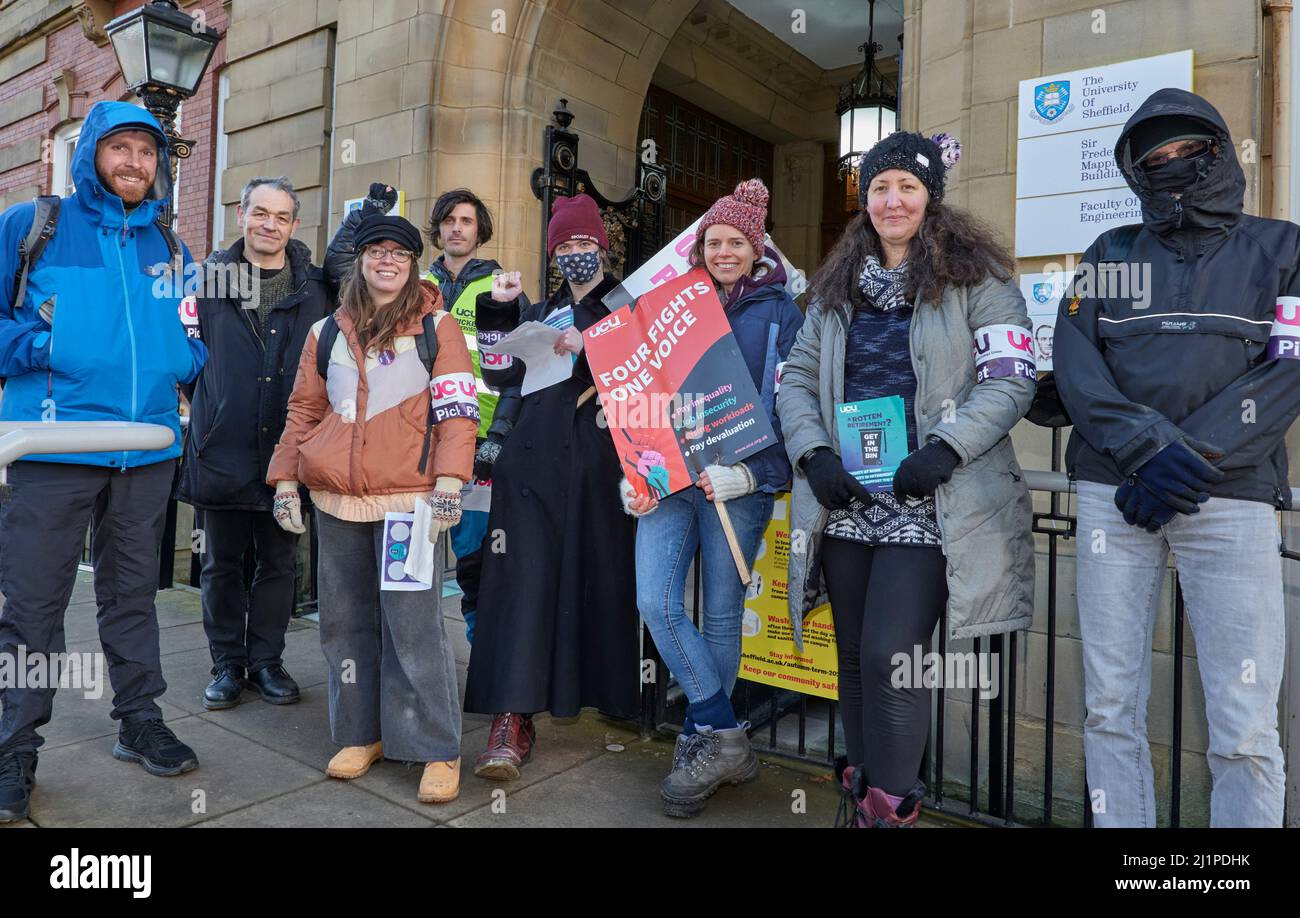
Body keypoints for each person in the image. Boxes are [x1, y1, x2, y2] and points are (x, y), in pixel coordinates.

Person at [1053, 88, 1299, 828]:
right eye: (1154, 159)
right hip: (1114, 494)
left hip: (1233, 499)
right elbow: (1076, 362)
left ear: (1220, 151)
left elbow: (1287, 369)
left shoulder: (1283, 248)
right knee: (1110, 703)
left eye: (1188, 151)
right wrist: (1143, 453)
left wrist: (1178, 464)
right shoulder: (1111, 253)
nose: (1174, 166)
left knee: (1245, 717)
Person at [778, 132, 1036, 827]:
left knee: (895, 657)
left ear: (931, 197)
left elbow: (1011, 380)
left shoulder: (976, 278)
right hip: (849, 500)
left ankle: (889, 815)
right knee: (857, 659)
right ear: (865, 199)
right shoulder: (833, 289)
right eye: (879, 187)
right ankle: (865, 797)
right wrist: (814, 456)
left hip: (932, 502)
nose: (892, 201)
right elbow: (796, 379)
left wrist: (946, 448)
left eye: (907, 187)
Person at [0, 101, 209, 823]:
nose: (134, 162)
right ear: (90, 151)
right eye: (119, 147)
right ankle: (13, 745)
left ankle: (138, 719)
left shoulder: (169, 246)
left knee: (131, 597)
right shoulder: (35, 227)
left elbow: (190, 329)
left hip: (147, 450)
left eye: (147, 152)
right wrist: (42, 347)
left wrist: (186, 359)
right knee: (32, 605)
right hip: (53, 446)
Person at [267, 214, 477, 804]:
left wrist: (450, 482)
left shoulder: (438, 327)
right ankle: (362, 734)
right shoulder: (325, 333)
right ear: (360, 261)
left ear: (413, 264)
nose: (388, 261)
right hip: (336, 501)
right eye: (376, 251)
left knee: (413, 629)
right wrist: (284, 480)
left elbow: (458, 413)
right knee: (344, 623)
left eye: (400, 253)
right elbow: (303, 412)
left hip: (410, 503)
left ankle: (437, 746)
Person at [624, 179, 804, 817]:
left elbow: (794, 405)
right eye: (713, 241)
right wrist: (635, 467)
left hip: (738, 481)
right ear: (699, 248)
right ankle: (726, 733)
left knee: (723, 614)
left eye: (735, 242)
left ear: (756, 249)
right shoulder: (672, 304)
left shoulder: (781, 311)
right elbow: (642, 387)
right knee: (655, 598)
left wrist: (757, 476)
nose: (723, 251)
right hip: (671, 477)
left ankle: (702, 742)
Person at [465, 193, 639, 780]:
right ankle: (511, 718)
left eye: (584, 244)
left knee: (592, 578)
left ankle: (603, 694)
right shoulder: (539, 308)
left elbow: (654, 371)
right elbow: (500, 374)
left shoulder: (628, 303)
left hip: (599, 468)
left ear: (603, 246)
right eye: (563, 246)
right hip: (531, 468)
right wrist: (498, 311)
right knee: (520, 586)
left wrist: (597, 346)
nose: (574, 255)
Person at [178, 177, 332, 711]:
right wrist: (208, 406)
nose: (270, 224)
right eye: (260, 213)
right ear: (241, 214)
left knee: (279, 561)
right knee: (220, 562)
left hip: (290, 449)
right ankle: (227, 661)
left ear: (293, 224)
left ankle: (266, 660)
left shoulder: (316, 287)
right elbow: (183, 355)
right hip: (223, 445)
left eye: (282, 216)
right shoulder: (206, 281)